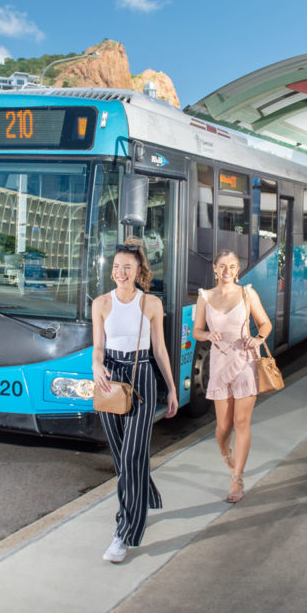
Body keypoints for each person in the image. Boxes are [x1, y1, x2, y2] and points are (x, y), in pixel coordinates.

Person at [90, 241, 179, 563]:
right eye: (116, 266)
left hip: (141, 378)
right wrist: (96, 364)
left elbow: (160, 350)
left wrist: (170, 388)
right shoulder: (100, 303)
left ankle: (124, 532)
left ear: (139, 270)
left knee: (130, 457)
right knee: (122, 455)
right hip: (110, 379)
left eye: (127, 267)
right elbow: (98, 347)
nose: (120, 273)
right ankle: (148, 493)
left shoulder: (151, 304)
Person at [192, 249, 273, 503]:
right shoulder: (205, 297)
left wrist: (258, 339)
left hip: (245, 362)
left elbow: (265, 323)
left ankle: (237, 478)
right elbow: (197, 330)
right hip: (218, 365)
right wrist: (207, 335)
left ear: (238, 270)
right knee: (223, 427)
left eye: (233, 266)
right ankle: (225, 452)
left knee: (241, 423)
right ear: (215, 269)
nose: (228, 271)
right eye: (223, 266)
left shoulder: (247, 293)